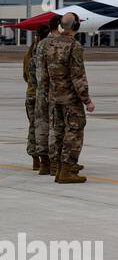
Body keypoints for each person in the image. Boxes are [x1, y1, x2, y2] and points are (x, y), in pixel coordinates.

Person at [40, 12, 94, 183]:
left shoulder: (50, 44)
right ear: (76, 26)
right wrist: (87, 100)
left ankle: (58, 168)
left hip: (54, 97)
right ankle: (67, 170)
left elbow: (45, 74)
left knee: (59, 131)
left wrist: (47, 94)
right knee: (74, 131)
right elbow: (78, 75)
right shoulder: (74, 46)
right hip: (70, 99)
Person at [22, 24, 51, 171]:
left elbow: (25, 76)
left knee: (33, 127)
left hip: (30, 94)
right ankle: (46, 159)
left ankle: (35, 160)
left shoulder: (29, 53)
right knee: (45, 128)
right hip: (42, 96)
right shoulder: (45, 51)